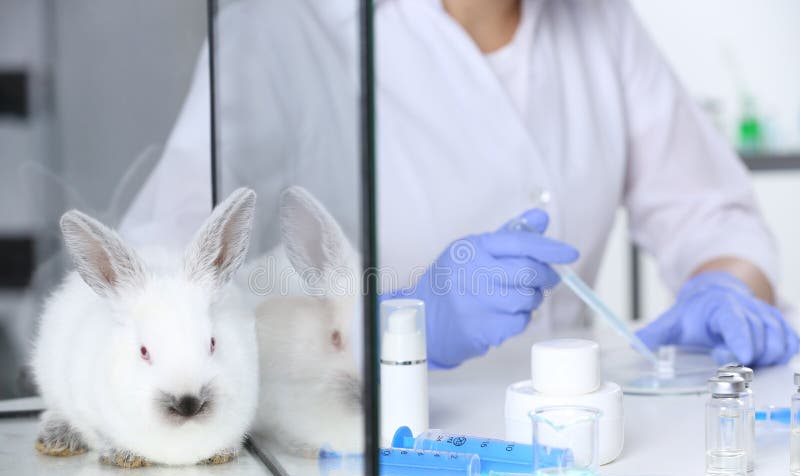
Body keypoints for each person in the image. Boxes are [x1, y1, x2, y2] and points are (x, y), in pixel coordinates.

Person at [122, 0, 798, 370]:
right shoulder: (286, 24)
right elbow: (159, 288)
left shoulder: (601, 22)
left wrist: (725, 286)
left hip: (576, 464)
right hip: (361, 473)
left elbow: (711, 214)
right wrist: (398, 324)